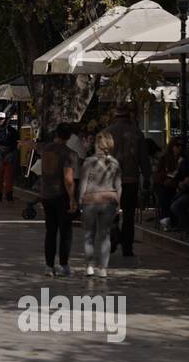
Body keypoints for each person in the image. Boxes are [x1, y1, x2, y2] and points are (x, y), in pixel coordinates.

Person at [104, 105, 150, 257]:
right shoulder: (137, 133)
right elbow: (144, 159)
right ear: (129, 116)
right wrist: (147, 177)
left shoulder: (106, 133)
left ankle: (114, 233)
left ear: (115, 116)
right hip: (131, 180)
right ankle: (127, 248)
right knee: (129, 215)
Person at [79, 130, 122, 277]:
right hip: (109, 201)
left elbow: (83, 182)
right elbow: (118, 186)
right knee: (105, 235)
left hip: (90, 200)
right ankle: (103, 268)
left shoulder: (88, 162)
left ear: (97, 144)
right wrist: (119, 204)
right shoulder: (115, 163)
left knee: (89, 235)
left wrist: (80, 199)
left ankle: (90, 266)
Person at [38, 124, 77, 277]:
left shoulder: (46, 149)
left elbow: (35, 146)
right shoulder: (69, 153)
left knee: (51, 231)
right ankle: (63, 264)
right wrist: (72, 198)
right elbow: (68, 179)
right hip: (61, 195)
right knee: (66, 230)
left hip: (46, 194)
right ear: (69, 137)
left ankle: (49, 265)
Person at [154, 139, 185, 227]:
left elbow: (183, 175)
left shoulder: (183, 160)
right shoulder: (164, 158)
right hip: (165, 183)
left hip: (176, 184)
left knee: (168, 191)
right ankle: (166, 218)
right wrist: (166, 175)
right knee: (164, 190)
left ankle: (167, 218)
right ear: (172, 147)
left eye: (181, 146)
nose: (179, 148)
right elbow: (159, 175)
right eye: (177, 145)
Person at [0, 113, 19, 202]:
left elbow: (16, 143)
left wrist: (10, 153)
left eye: (2, 119)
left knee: (8, 176)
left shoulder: (12, 130)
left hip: (9, 154)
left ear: (5, 119)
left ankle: (9, 195)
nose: (0, 120)